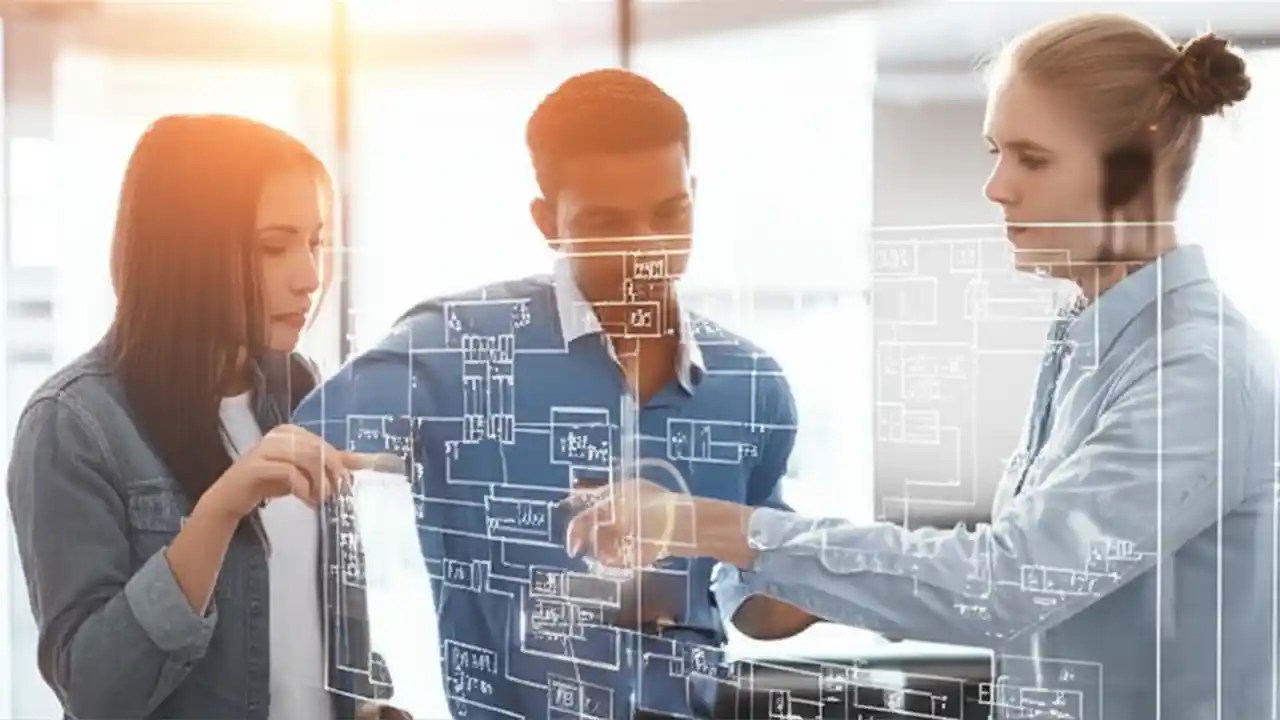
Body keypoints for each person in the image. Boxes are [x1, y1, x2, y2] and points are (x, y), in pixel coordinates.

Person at [568, 15, 1277, 720]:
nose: (996, 188)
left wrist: (705, 523)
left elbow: (1006, 583)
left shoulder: (1198, 372)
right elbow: (1034, 580)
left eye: (1031, 158)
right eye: (994, 152)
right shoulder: (1090, 339)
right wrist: (788, 581)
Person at [294, 68, 816, 719]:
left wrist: (855, 579)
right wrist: (351, 696)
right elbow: (285, 489)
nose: (647, 249)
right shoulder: (449, 346)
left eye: (670, 213)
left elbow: (748, 598)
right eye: (607, 223)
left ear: (694, 194)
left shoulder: (751, 384)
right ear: (548, 221)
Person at [6, 115, 399, 719]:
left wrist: (364, 705)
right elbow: (94, 694)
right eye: (274, 247)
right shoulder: (75, 426)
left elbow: (312, 624)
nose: (309, 278)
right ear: (187, 251)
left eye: (314, 242)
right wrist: (220, 509)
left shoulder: (303, 389)